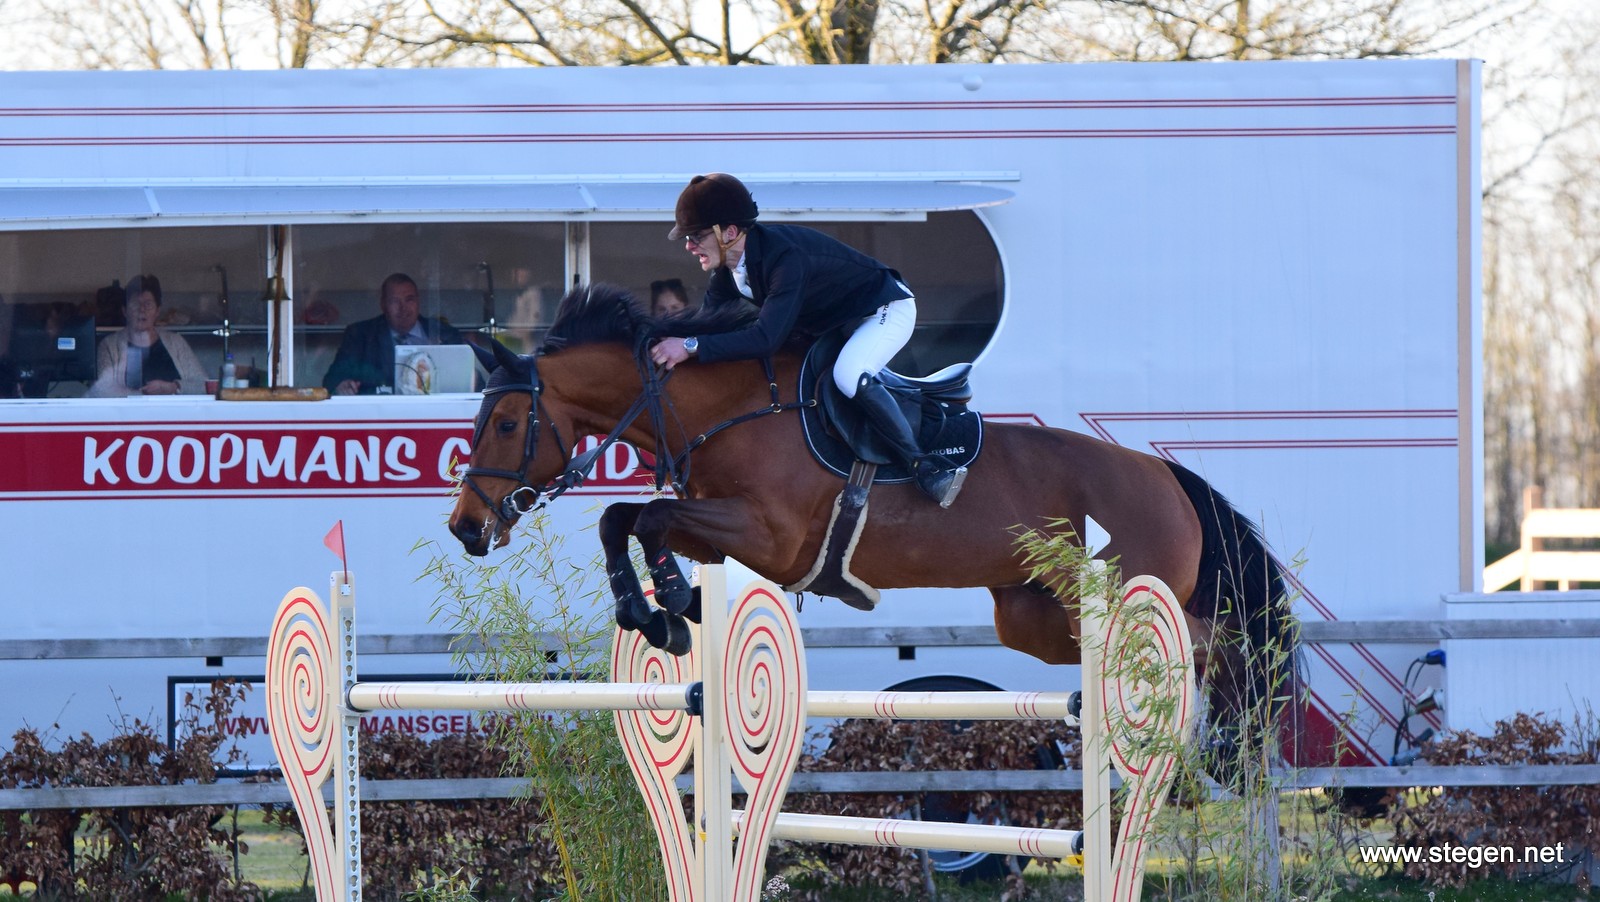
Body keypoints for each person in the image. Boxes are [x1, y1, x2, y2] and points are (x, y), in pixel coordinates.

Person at [650, 173, 964, 507]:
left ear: (728, 232)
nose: (688, 246)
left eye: (696, 236)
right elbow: (707, 328)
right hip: (836, 323)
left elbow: (765, 339)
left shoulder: (786, 258)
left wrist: (688, 347)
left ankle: (926, 468)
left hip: (883, 309)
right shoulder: (727, 273)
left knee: (848, 374)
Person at [322, 273, 466, 396]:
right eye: (394, 301)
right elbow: (331, 380)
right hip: (379, 419)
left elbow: (472, 382)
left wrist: (469, 377)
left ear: (418, 301)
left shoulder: (446, 333)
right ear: (383, 305)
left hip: (436, 415)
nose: (403, 308)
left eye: (409, 299)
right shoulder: (361, 335)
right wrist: (342, 384)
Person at [86, 275, 209, 397]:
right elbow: (101, 390)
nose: (142, 310)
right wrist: (143, 396)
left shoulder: (175, 342)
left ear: (157, 311)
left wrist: (173, 387)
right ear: (125, 311)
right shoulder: (109, 345)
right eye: (135, 304)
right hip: (128, 416)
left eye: (148, 304)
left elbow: (204, 385)